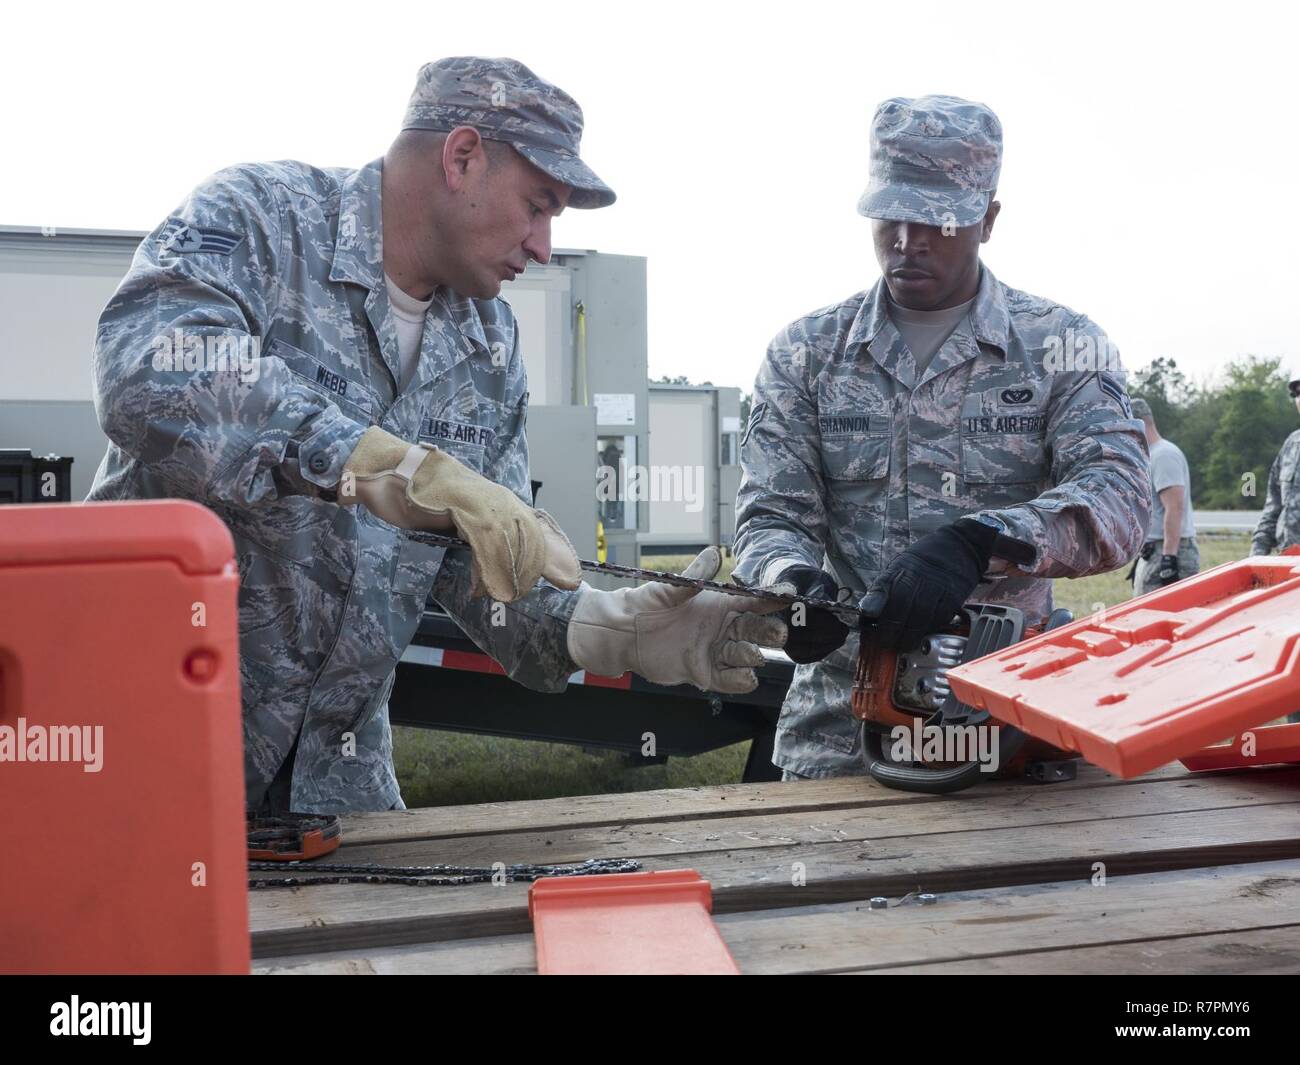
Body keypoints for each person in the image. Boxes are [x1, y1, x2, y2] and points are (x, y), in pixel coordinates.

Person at [87, 56, 785, 814]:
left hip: (337, 798)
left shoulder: (486, 342)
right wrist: (377, 464)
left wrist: (613, 628)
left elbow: (491, 574)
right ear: (462, 158)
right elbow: (144, 374)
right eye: (538, 204)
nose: (546, 245)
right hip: (145, 769)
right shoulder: (264, 217)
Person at [732, 95, 1149, 781]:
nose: (907, 238)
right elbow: (770, 518)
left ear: (988, 219)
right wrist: (788, 581)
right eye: (889, 215)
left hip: (1007, 732)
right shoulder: (807, 353)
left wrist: (984, 540)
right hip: (840, 734)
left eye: (936, 219)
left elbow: (1120, 498)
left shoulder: (1061, 344)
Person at [1128, 397, 1199, 594]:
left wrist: (1169, 558)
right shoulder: (1151, 455)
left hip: (1170, 551)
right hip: (1154, 550)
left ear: (1136, 423)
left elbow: (1174, 508)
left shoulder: (1164, 455)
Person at [1251, 368, 1300, 556]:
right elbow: (1273, 505)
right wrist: (1257, 553)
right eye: (1297, 394)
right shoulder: (1292, 444)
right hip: (1288, 561)